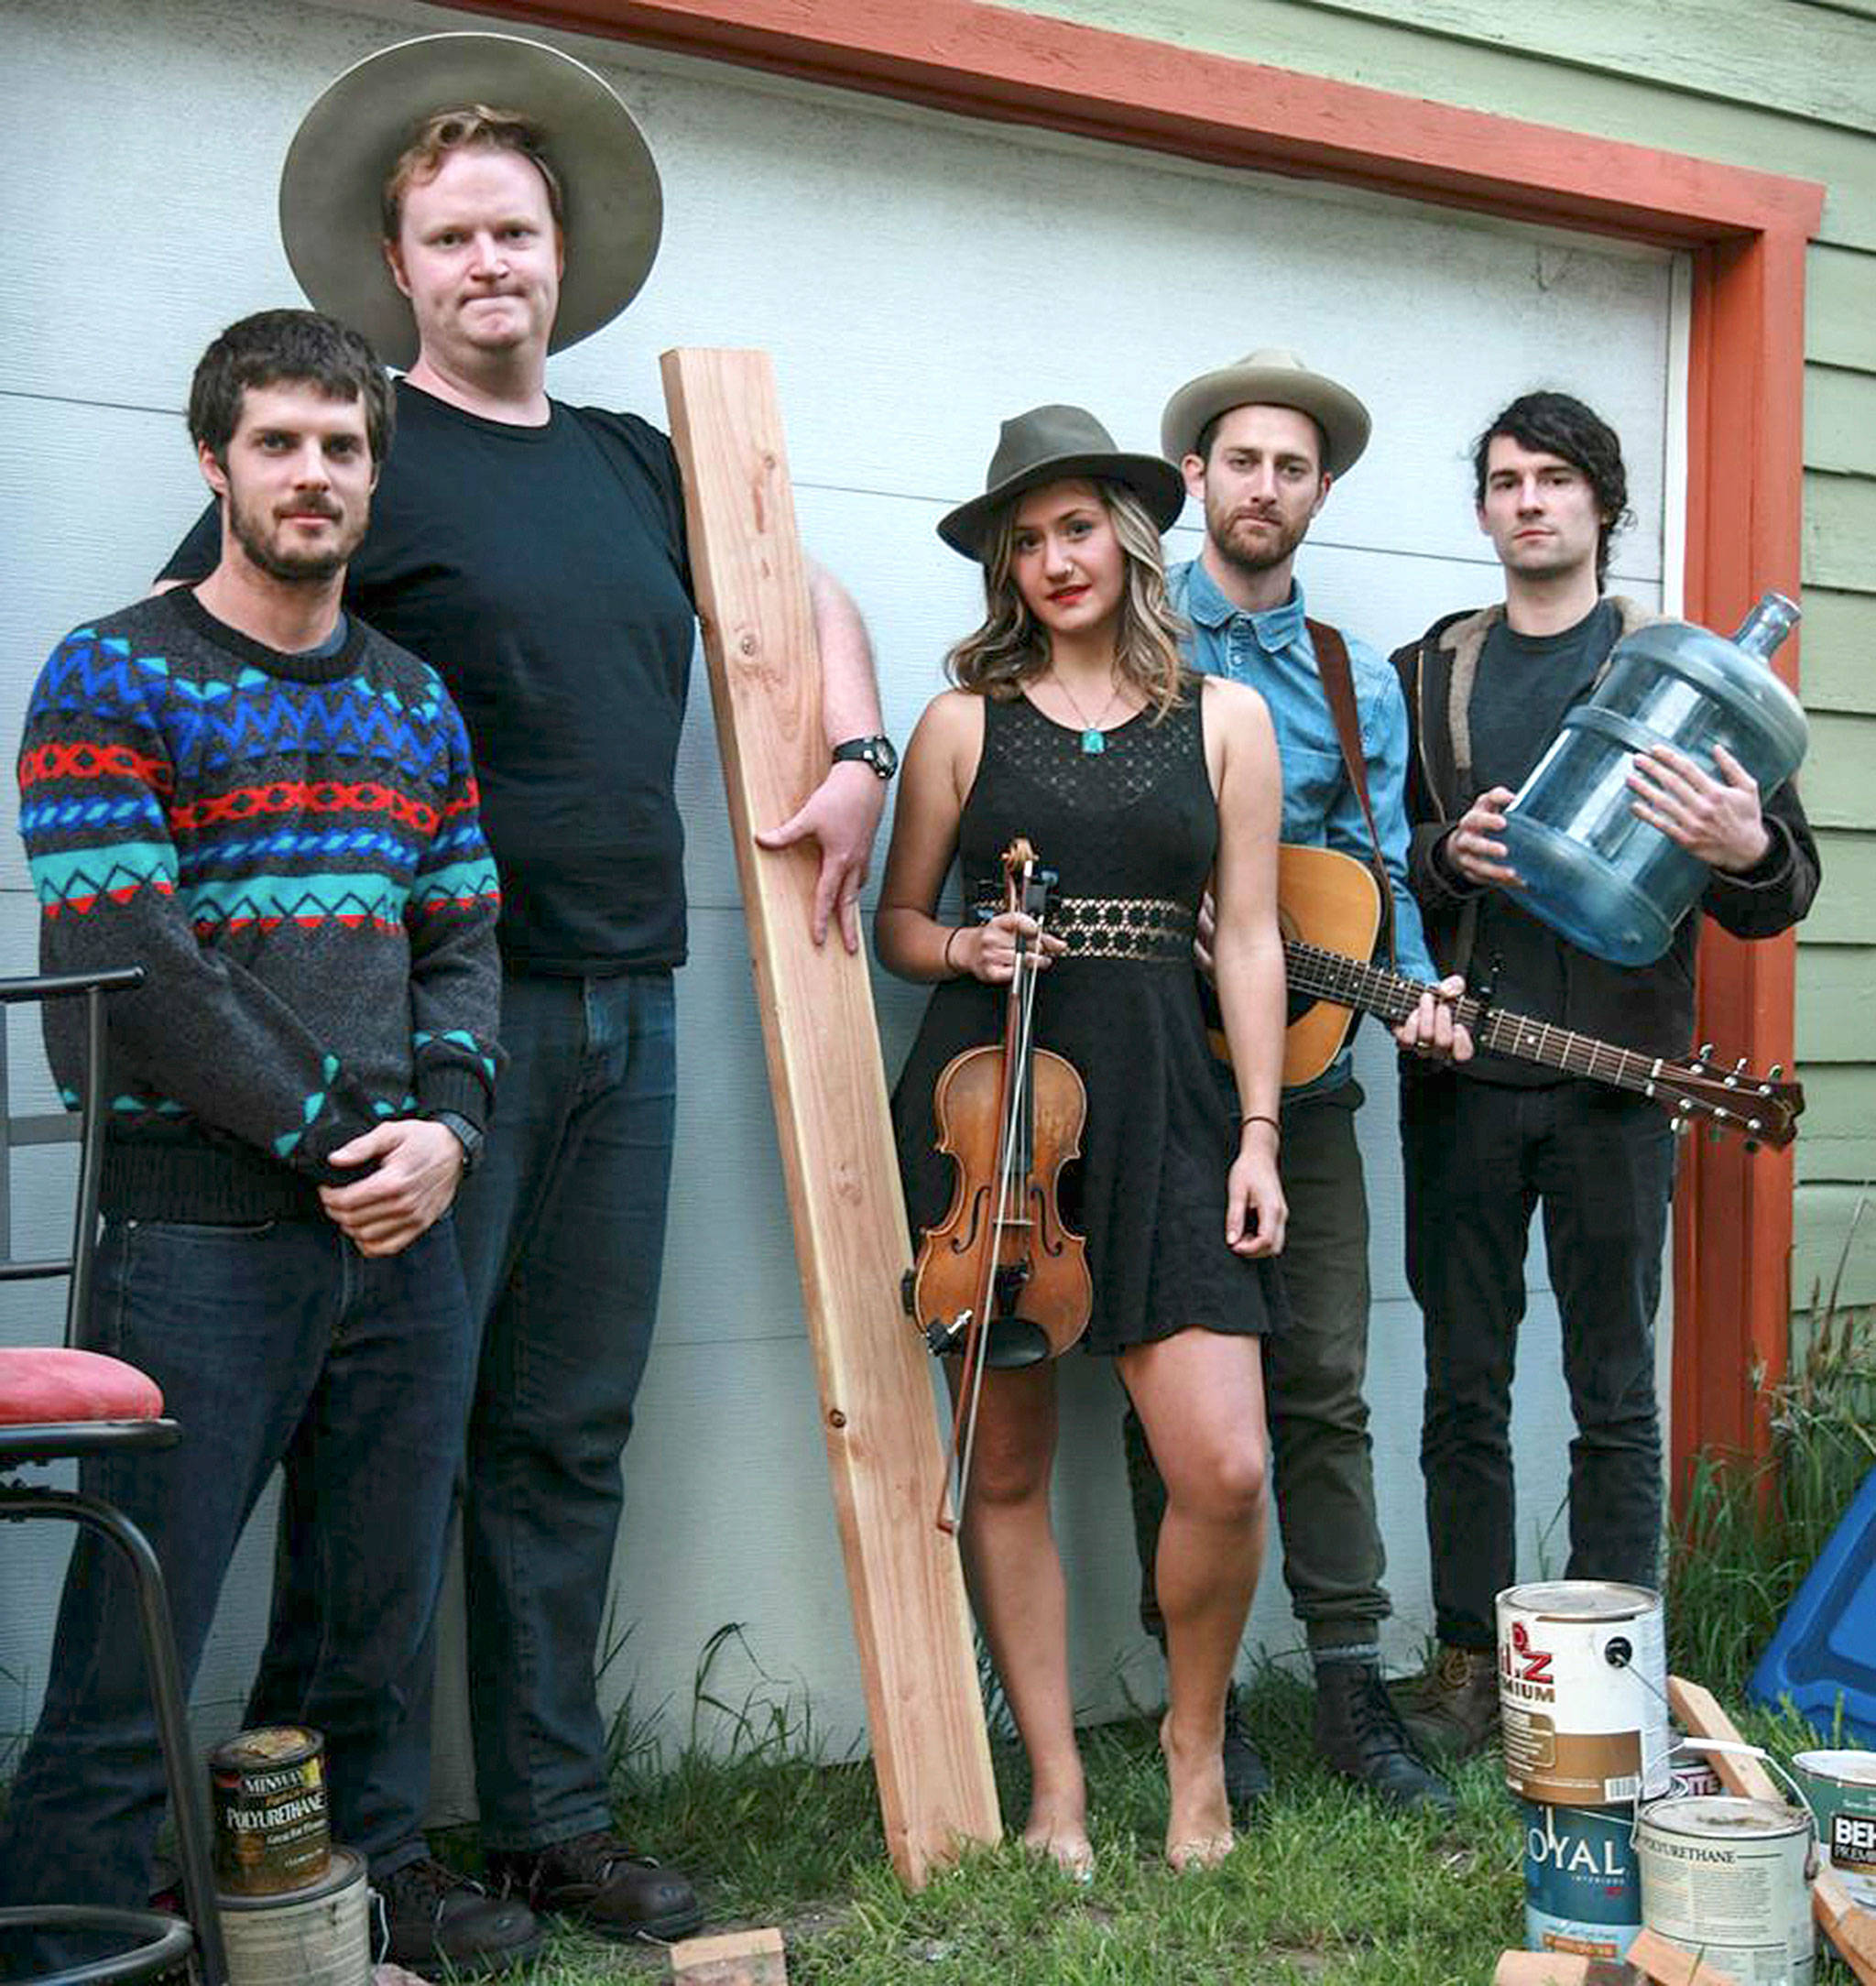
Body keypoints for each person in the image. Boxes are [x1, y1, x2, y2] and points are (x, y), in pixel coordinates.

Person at [158, 37, 889, 1941]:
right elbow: (203, 640)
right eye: (454, 236)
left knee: (564, 1435)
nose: (491, 262)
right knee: (390, 1448)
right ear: (396, 266)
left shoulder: (636, 461)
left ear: (561, 258)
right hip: (428, 1031)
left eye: (517, 233)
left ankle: (549, 1821)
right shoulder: (355, 455)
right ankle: (360, 1848)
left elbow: (802, 596)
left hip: (631, 1010)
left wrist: (858, 754)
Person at [0, 309, 540, 1976]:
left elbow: (464, 936)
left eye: (343, 447)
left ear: (376, 474)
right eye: (279, 443)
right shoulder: (111, 674)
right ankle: (69, 1938)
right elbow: (131, 963)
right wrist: (355, 1137)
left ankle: (337, 1917)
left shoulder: (415, 700)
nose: (314, 474)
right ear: (215, 460)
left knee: (366, 1625)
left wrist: (451, 1129)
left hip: (403, 1230)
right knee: (132, 1638)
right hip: (196, 1230)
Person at [879, 404, 1289, 1874]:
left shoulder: (1226, 720)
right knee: (1004, 1468)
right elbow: (896, 923)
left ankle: (1194, 1744)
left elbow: (1250, 939)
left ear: (1127, 543)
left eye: (1077, 530)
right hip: (995, 1118)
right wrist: (965, 948)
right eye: (1027, 539)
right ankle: (1054, 1780)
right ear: (1005, 565)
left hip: (1173, 1102)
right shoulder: (961, 724)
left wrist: (1259, 1134)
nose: (1055, 560)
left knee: (1225, 1467)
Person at [1388, 390, 1820, 1758]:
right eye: (1506, 480)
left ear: (1603, 505)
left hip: (1618, 1087)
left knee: (1614, 1395)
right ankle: (1471, 1666)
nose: (1530, 501)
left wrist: (1747, 844)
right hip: (1462, 1078)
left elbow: (1781, 889)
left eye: (1556, 479)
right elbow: (1379, 856)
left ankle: (1608, 1673)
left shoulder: (1685, 675)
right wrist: (1444, 857)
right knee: (1462, 1386)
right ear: (1482, 510)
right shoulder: (1429, 672)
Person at [1124, 350, 1466, 1817]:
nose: (1264, 487)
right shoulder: (1128, 632)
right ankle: (1199, 1703)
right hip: (1152, 1071)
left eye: (1293, 468)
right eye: (1242, 461)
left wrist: (1418, 987)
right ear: (1193, 478)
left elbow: (1374, 872)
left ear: (1321, 493)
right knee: (1170, 1385)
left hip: (1307, 1080)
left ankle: (1348, 1687)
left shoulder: (1349, 677)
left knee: (1323, 1379)